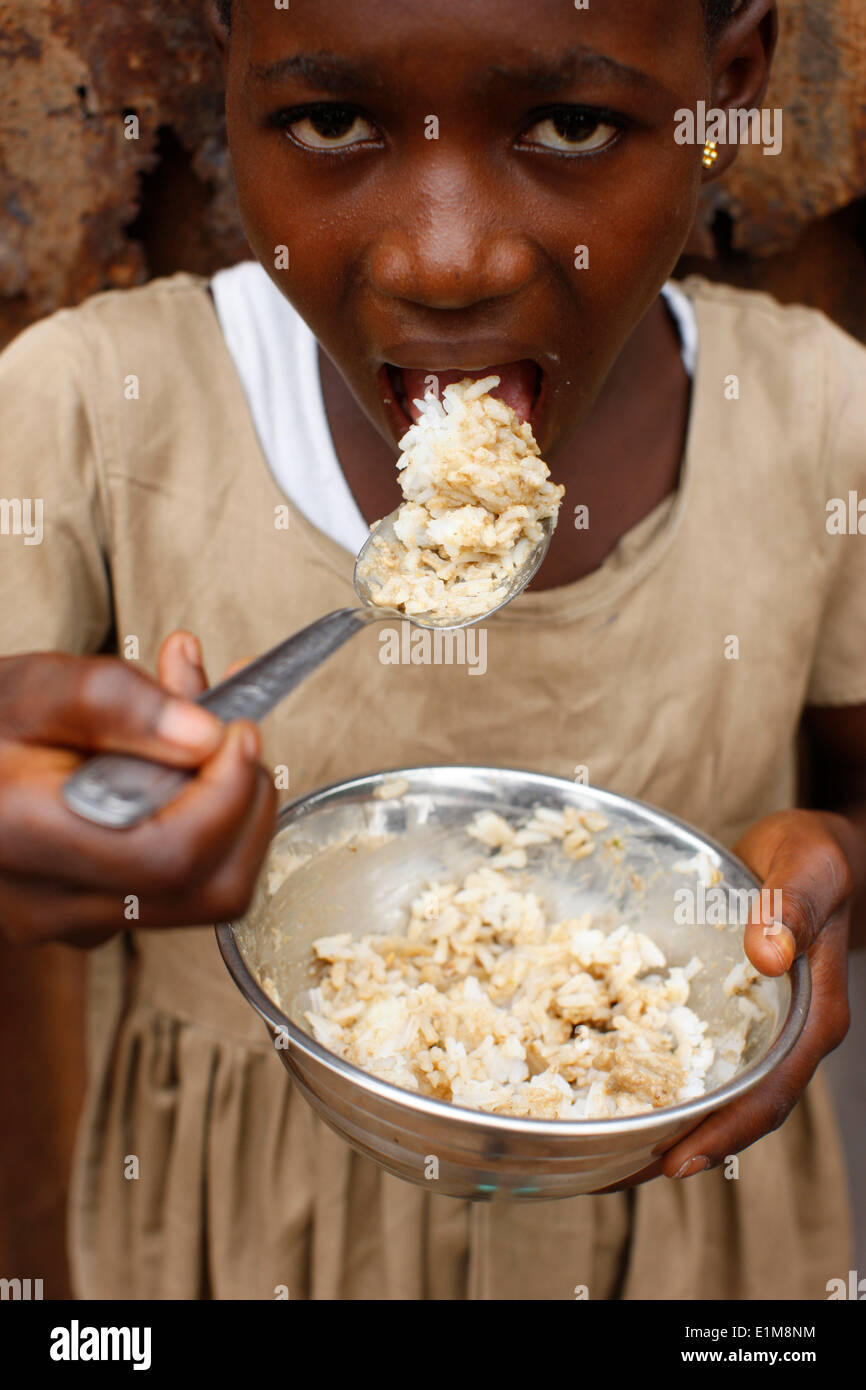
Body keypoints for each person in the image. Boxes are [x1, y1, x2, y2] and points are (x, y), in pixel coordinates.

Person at [0, 0, 862, 1299]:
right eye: (334, 119)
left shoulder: (819, 426)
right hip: (230, 1248)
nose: (444, 260)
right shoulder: (95, 415)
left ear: (723, 88)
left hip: (688, 1258)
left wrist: (837, 864)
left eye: (570, 124)